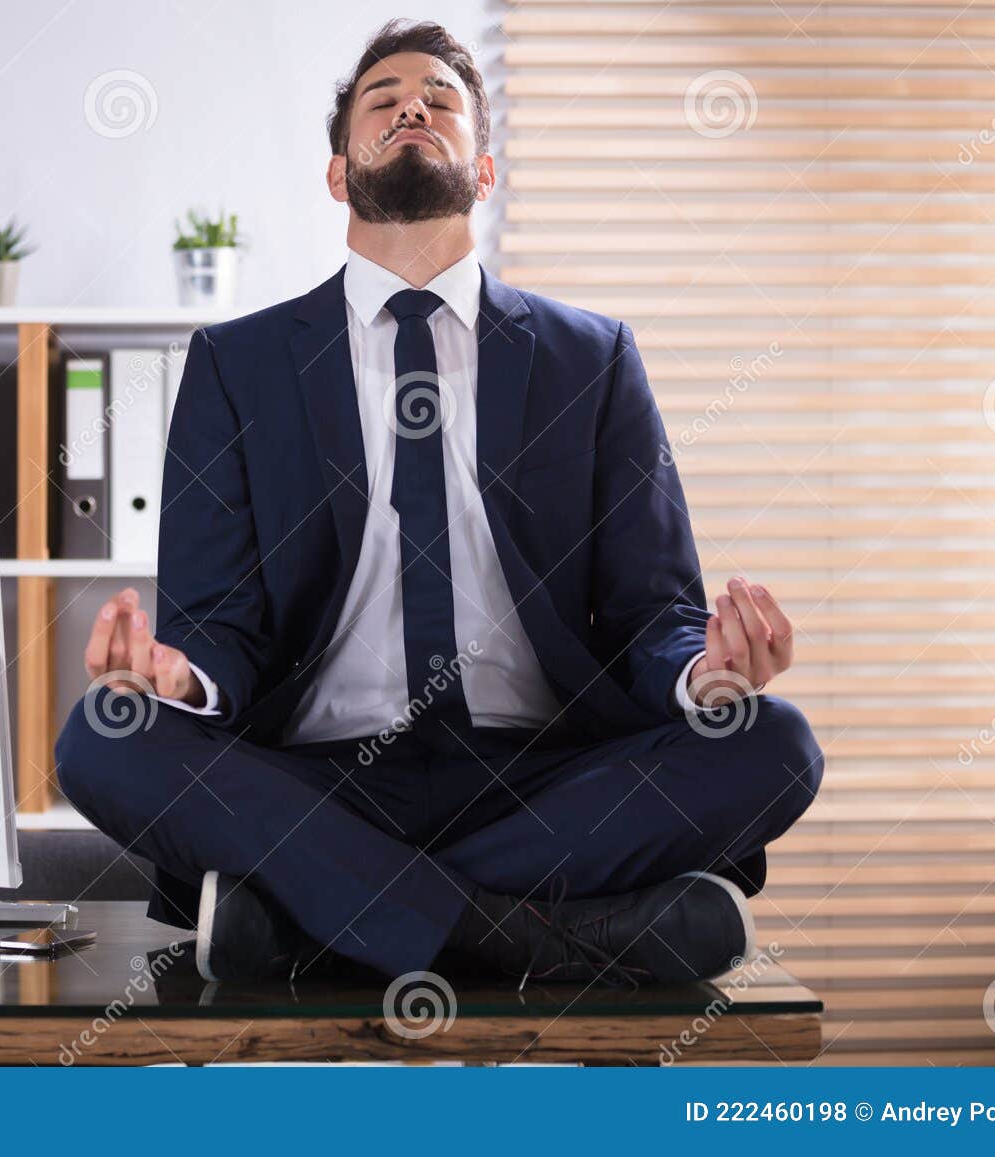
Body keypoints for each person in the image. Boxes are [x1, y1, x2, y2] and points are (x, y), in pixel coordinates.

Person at [55, 19, 823, 986]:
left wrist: (702, 673)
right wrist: (183, 675)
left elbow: (650, 611)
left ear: (484, 170)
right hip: (321, 779)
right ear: (338, 174)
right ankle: (546, 931)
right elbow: (219, 623)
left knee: (773, 742)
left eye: (440, 101)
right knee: (105, 735)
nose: (411, 107)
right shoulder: (236, 364)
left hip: (538, 778)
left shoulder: (591, 360)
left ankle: (310, 917)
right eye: (382, 101)